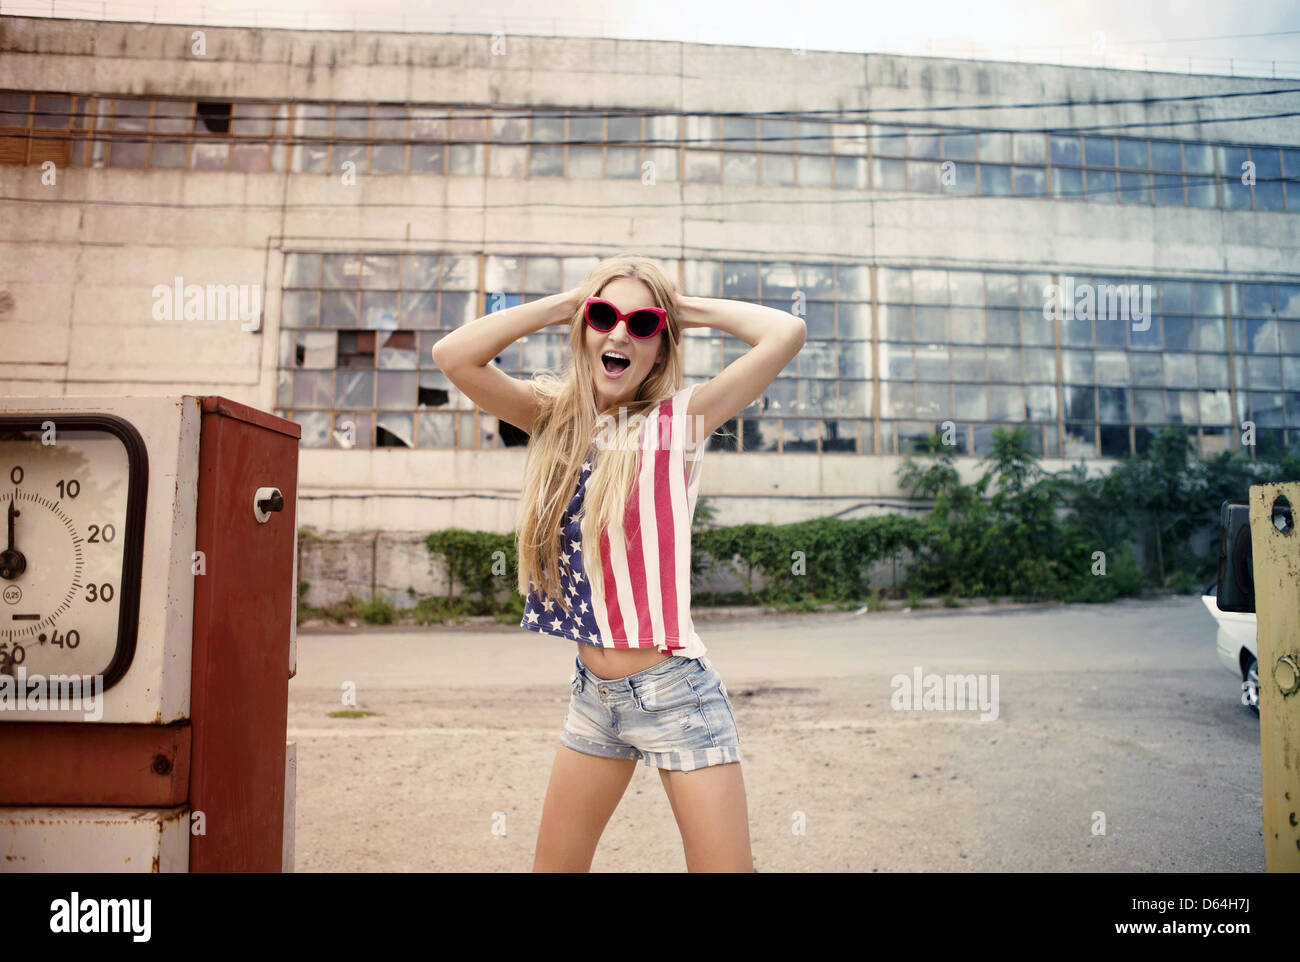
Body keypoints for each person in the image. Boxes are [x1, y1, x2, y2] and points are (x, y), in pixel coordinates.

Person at [431, 253, 806, 871]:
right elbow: (454, 355)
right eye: (604, 317)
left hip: (675, 694)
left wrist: (678, 309)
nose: (620, 333)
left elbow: (785, 333)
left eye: (642, 325)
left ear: (660, 347)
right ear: (583, 328)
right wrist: (567, 304)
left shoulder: (678, 424)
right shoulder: (554, 421)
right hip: (593, 696)